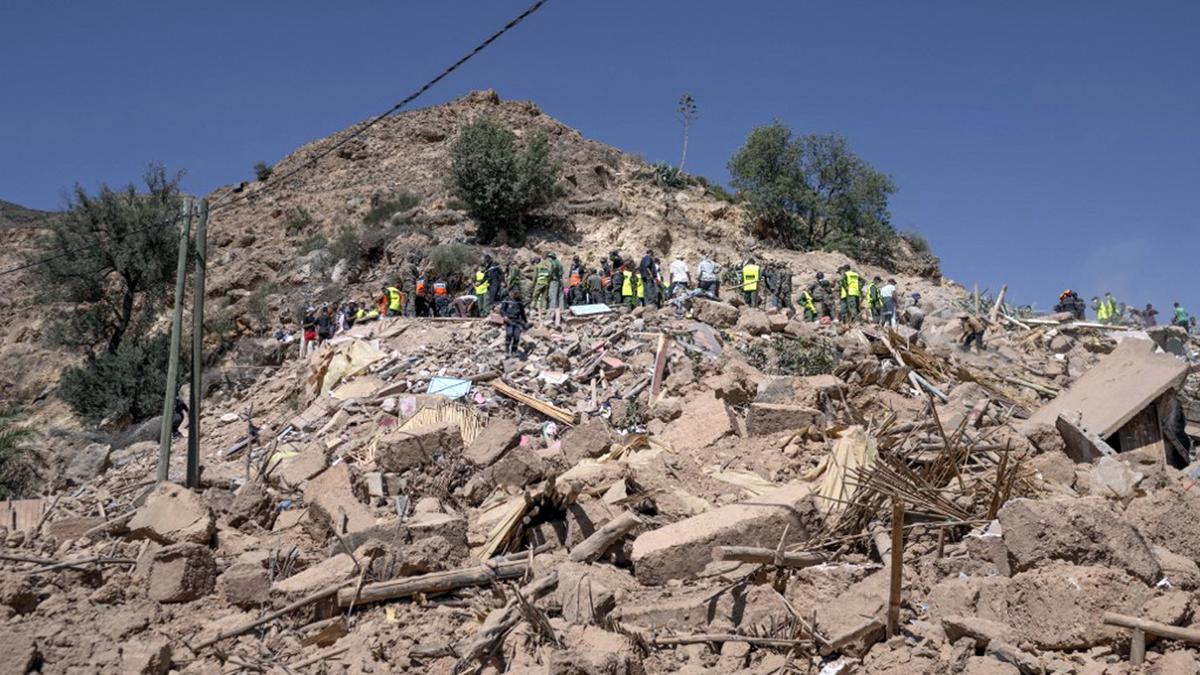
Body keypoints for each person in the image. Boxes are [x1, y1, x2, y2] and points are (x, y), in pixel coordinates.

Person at [499, 289, 528, 355]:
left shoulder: (519, 301)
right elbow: (502, 310)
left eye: (516, 294)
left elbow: (522, 313)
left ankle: (514, 351)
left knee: (516, 336)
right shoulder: (506, 300)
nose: (515, 295)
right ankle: (507, 349)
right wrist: (504, 316)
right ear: (511, 293)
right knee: (509, 333)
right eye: (514, 293)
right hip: (509, 320)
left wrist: (525, 322)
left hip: (517, 321)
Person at [400, 253, 420, 317]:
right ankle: (413, 316)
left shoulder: (403, 267)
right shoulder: (412, 266)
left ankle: (403, 314)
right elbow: (417, 275)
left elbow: (401, 276)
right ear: (411, 259)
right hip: (411, 284)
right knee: (412, 300)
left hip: (405, 284)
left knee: (405, 301)